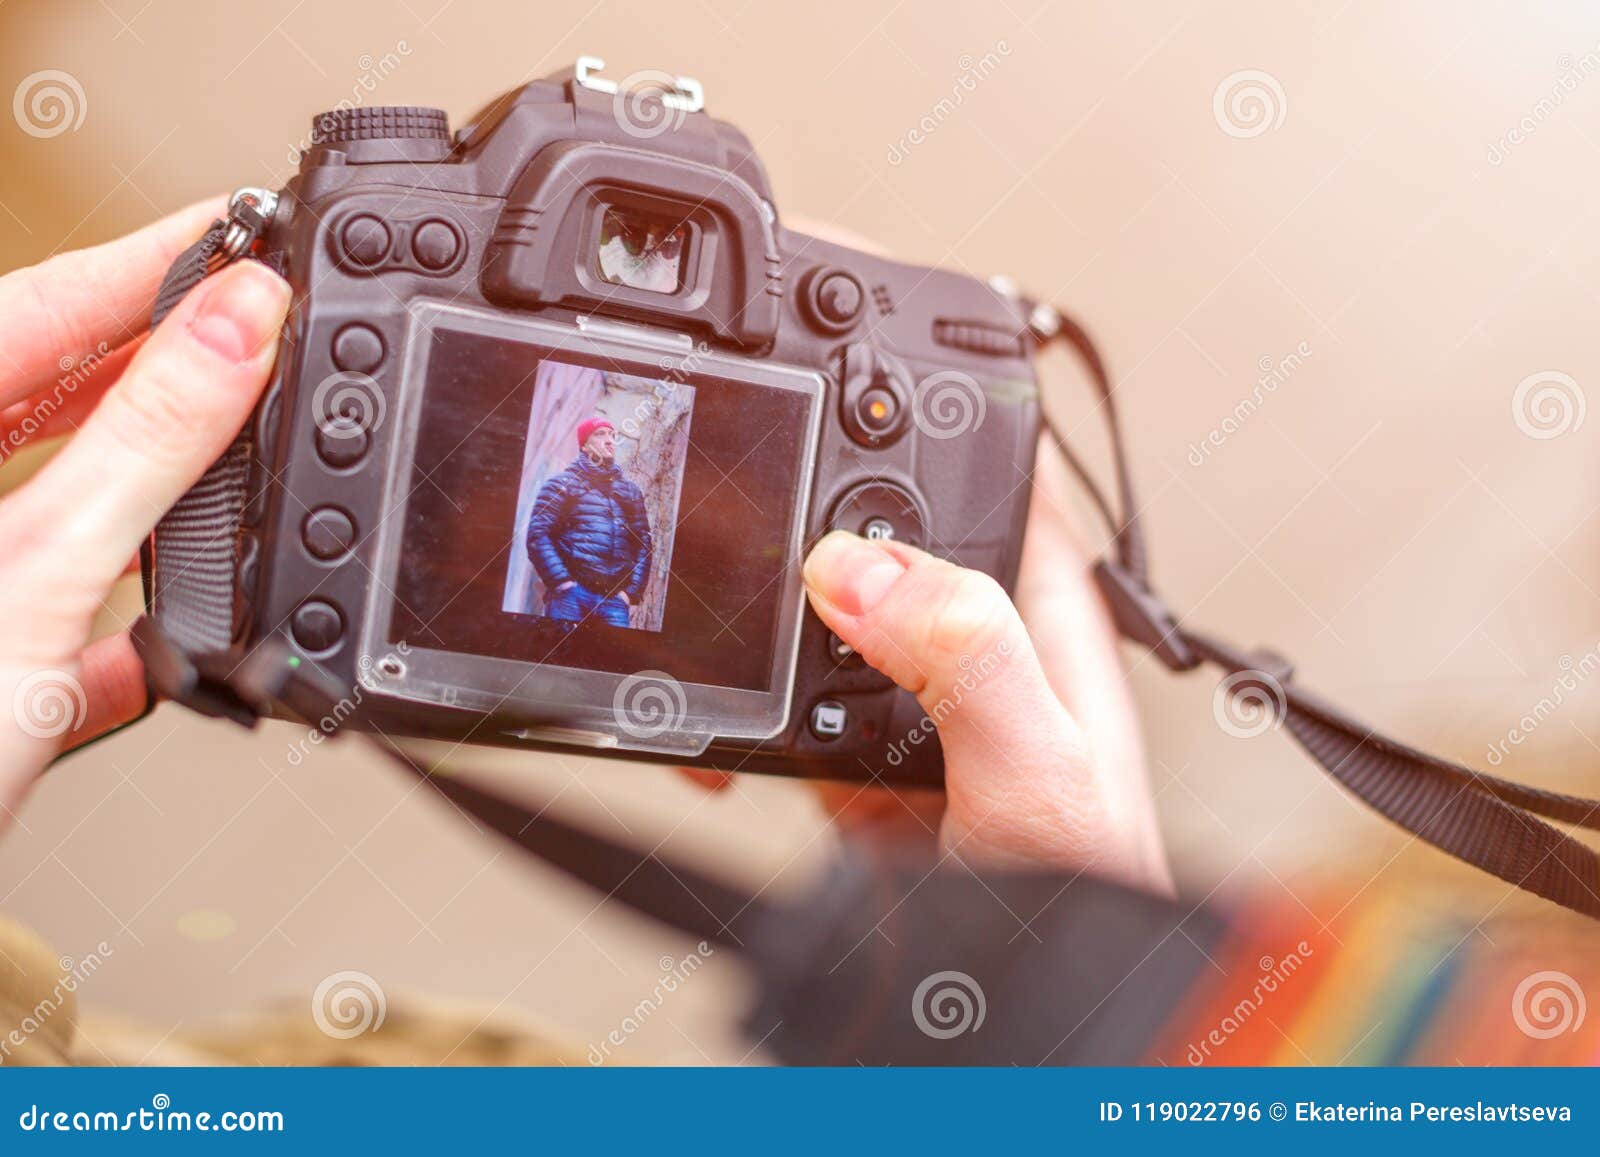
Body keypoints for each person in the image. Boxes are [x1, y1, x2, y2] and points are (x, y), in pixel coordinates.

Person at [0, 200, 1169, 899]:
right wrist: (1047, 1012)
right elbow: (559, 530)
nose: (604, 451)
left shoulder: (613, 491)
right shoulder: (566, 487)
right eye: (598, 435)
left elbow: (619, 540)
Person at [524, 416, 652, 628]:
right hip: (571, 596)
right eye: (600, 434)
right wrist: (562, 582)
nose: (609, 440)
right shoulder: (561, 484)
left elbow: (644, 542)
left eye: (612, 435)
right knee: (560, 655)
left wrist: (629, 594)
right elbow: (538, 534)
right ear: (584, 445)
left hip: (614, 603)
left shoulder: (630, 492)